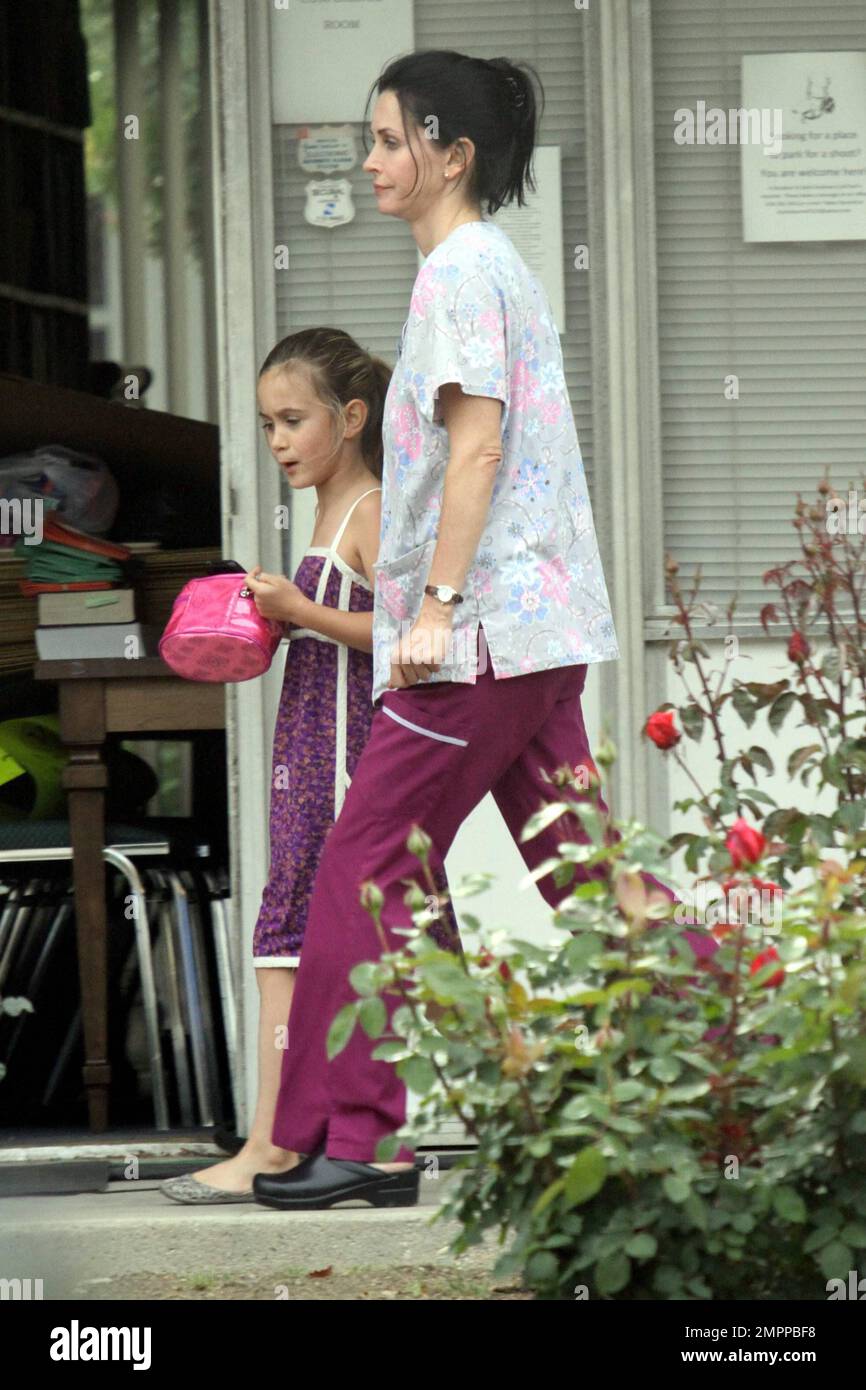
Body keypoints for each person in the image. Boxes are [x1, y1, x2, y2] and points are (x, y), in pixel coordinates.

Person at [253, 50, 679, 1214]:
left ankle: (365, 1141)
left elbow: (477, 447)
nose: (374, 159)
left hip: (478, 641)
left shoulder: (457, 274)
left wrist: (432, 612)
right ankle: (741, 1067)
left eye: (389, 140)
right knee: (587, 873)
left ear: (452, 153)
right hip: (532, 638)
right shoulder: (495, 268)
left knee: (363, 860)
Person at [159, 327, 442, 1202]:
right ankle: (303, 1136)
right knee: (317, 941)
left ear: (352, 417)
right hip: (306, 751)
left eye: (292, 421)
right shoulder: (327, 508)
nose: (277, 441)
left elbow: (408, 641)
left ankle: (274, 1146)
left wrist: (302, 609)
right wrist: (275, 617)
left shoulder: (374, 510)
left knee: (299, 938)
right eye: (266, 425)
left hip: (347, 759)